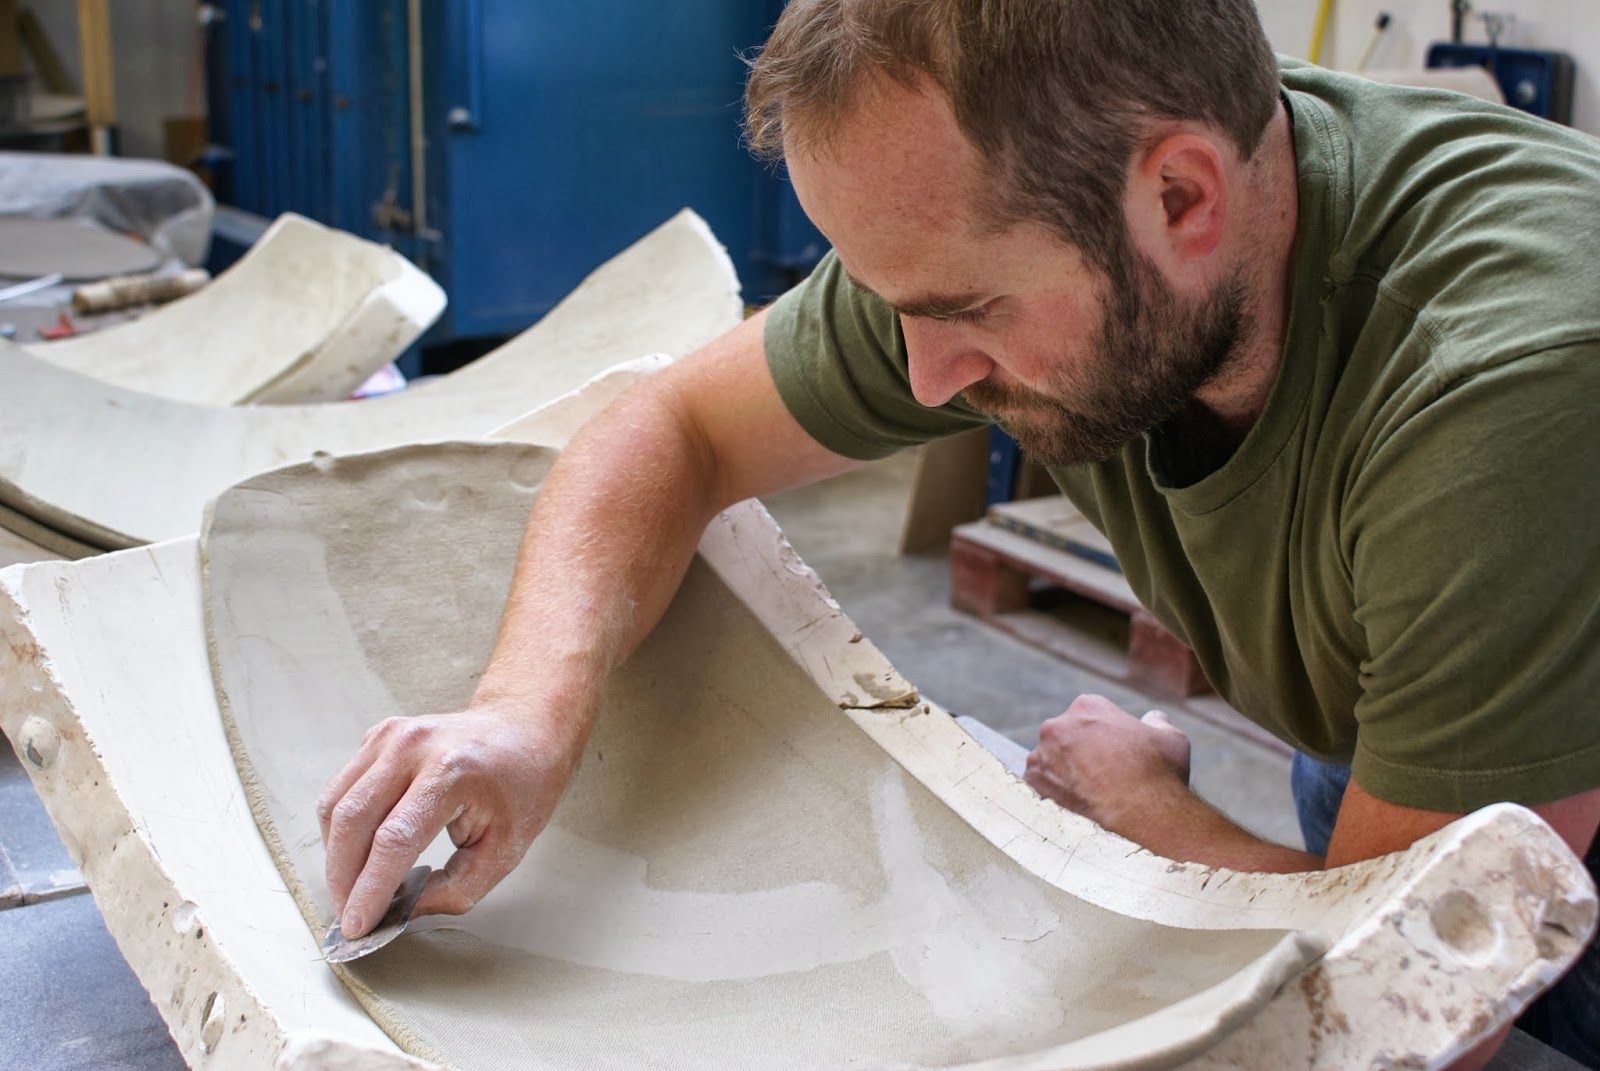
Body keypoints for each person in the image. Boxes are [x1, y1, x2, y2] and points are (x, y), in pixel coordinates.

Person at [318, 1, 1600, 1065]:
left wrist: (1154, 820)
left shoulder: (1508, 394)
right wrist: (526, 711)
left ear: (1181, 194)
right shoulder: (1023, 217)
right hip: (1409, 717)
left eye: (967, 310)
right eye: (897, 307)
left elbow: (1413, 990)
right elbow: (672, 427)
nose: (926, 378)